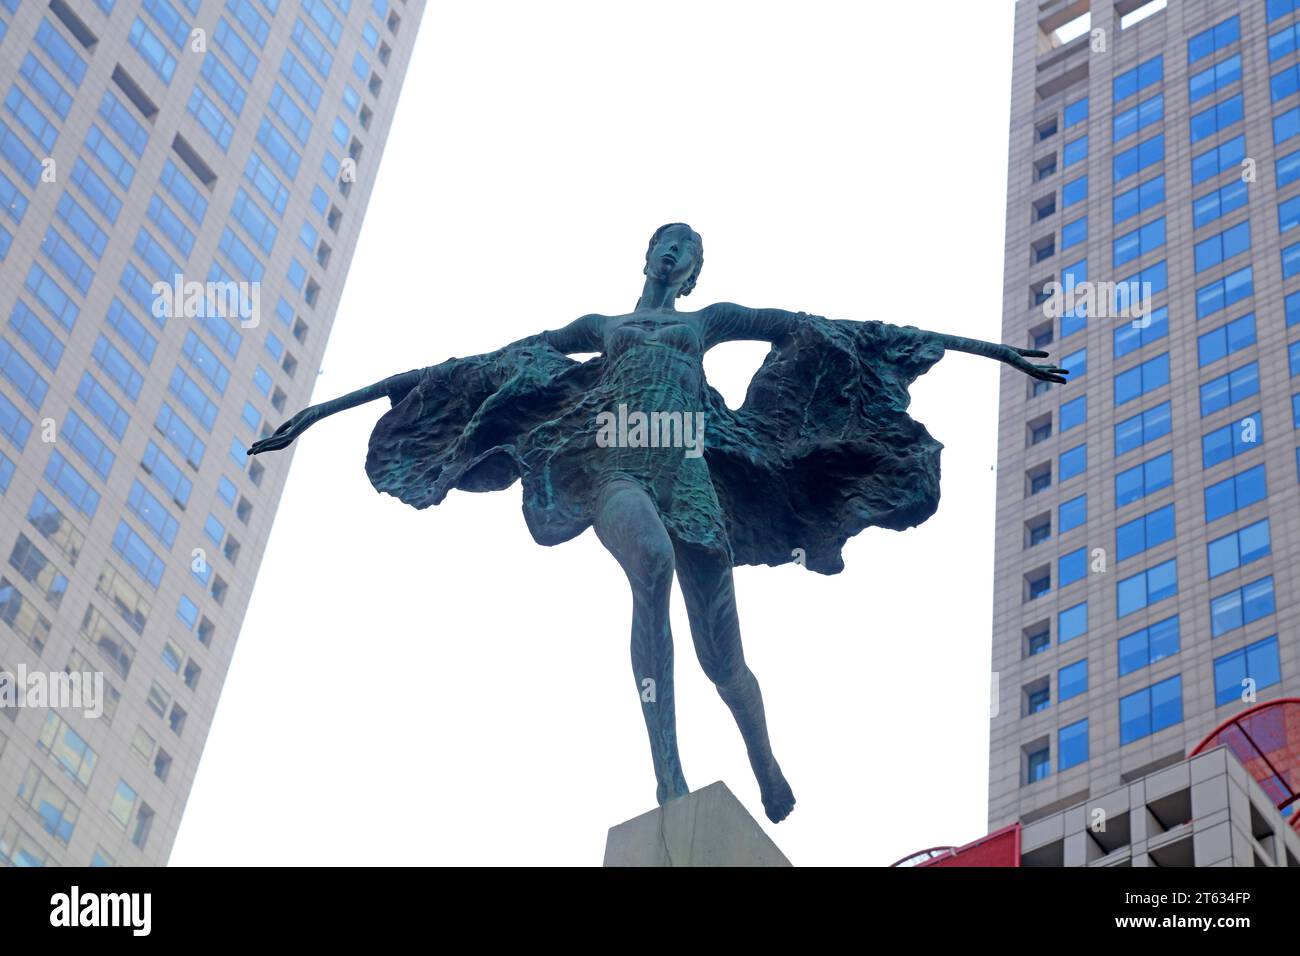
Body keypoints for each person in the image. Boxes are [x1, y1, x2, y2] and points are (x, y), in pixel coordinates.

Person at [249, 222, 1067, 822]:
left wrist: (1000, 352)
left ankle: (763, 756)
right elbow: (469, 367)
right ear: (647, 258)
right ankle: (667, 775)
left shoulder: (706, 322)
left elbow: (846, 331)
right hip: (606, 458)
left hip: (687, 463)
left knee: (725, 658)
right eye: (668, 247)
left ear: (695, 273)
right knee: (649, 567)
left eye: (690, 254)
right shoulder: (600, 329)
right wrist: (322, 409)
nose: (677, 260)